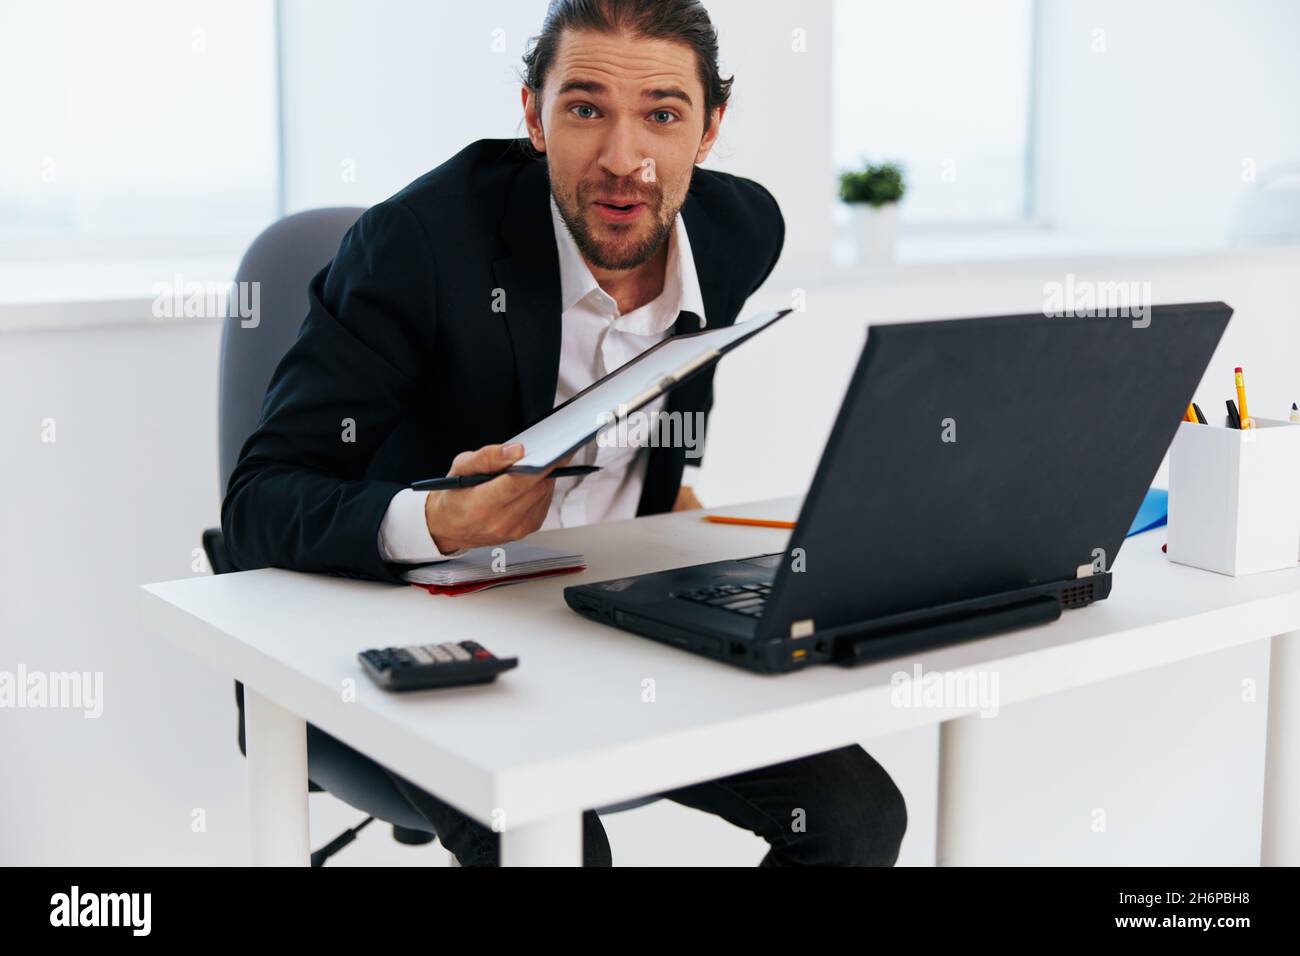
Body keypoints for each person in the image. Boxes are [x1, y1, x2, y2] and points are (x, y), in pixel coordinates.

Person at [223, 0, 906, 866]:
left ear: (710, 129)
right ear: (532, 117)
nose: (625, 162)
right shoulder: (416, 245)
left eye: (663, 114)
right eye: (584, 109)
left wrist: (671, 495)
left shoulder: (739, 232)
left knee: (855, 820)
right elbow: (259, 501)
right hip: (428, 628)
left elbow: (669, 382)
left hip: (616, 613)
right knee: (561, 852)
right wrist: (441, 523)